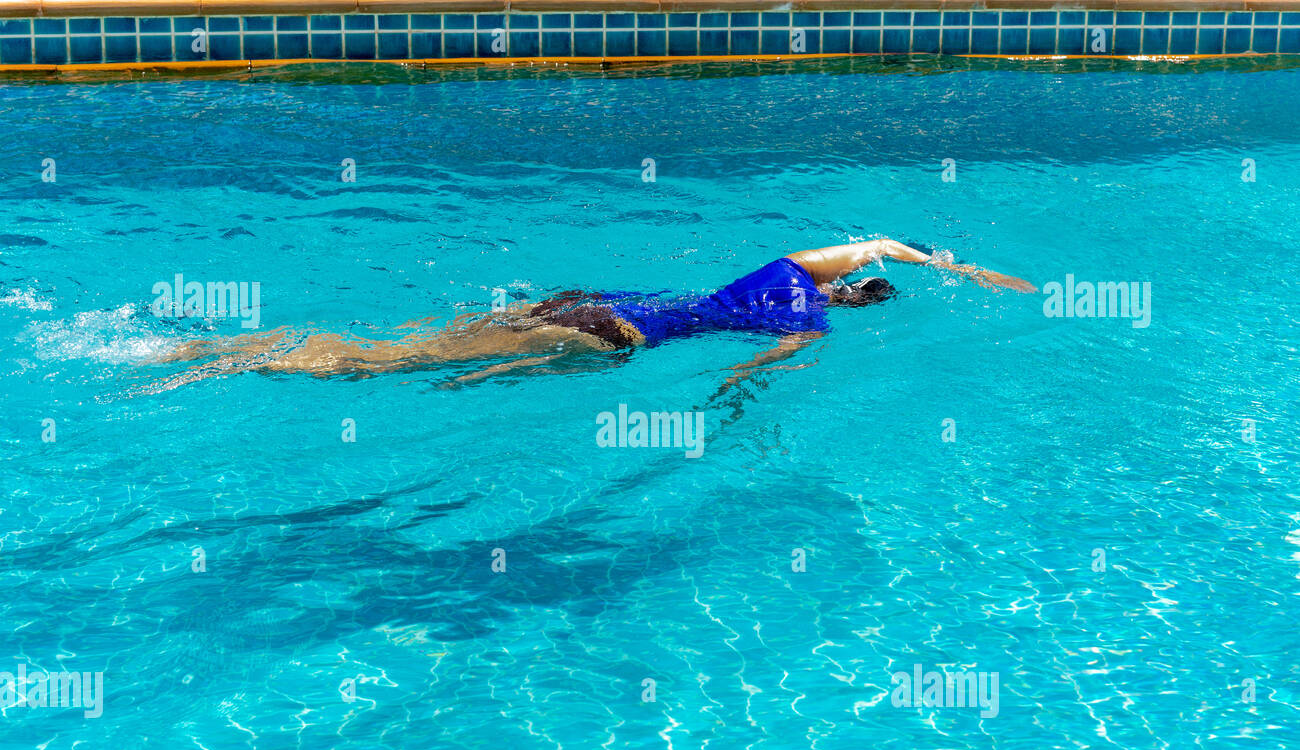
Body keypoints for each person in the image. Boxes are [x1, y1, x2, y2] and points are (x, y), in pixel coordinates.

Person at [146, 238, 1035, 392]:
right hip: (615, 336)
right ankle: (232, 358)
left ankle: (216, 342)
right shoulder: (810, 329)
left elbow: (874, 239)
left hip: (590, 301)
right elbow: (744, 376)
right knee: (381, 363)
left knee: (414, 345)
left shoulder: (785, 271)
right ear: (856, 312)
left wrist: (955, 263)